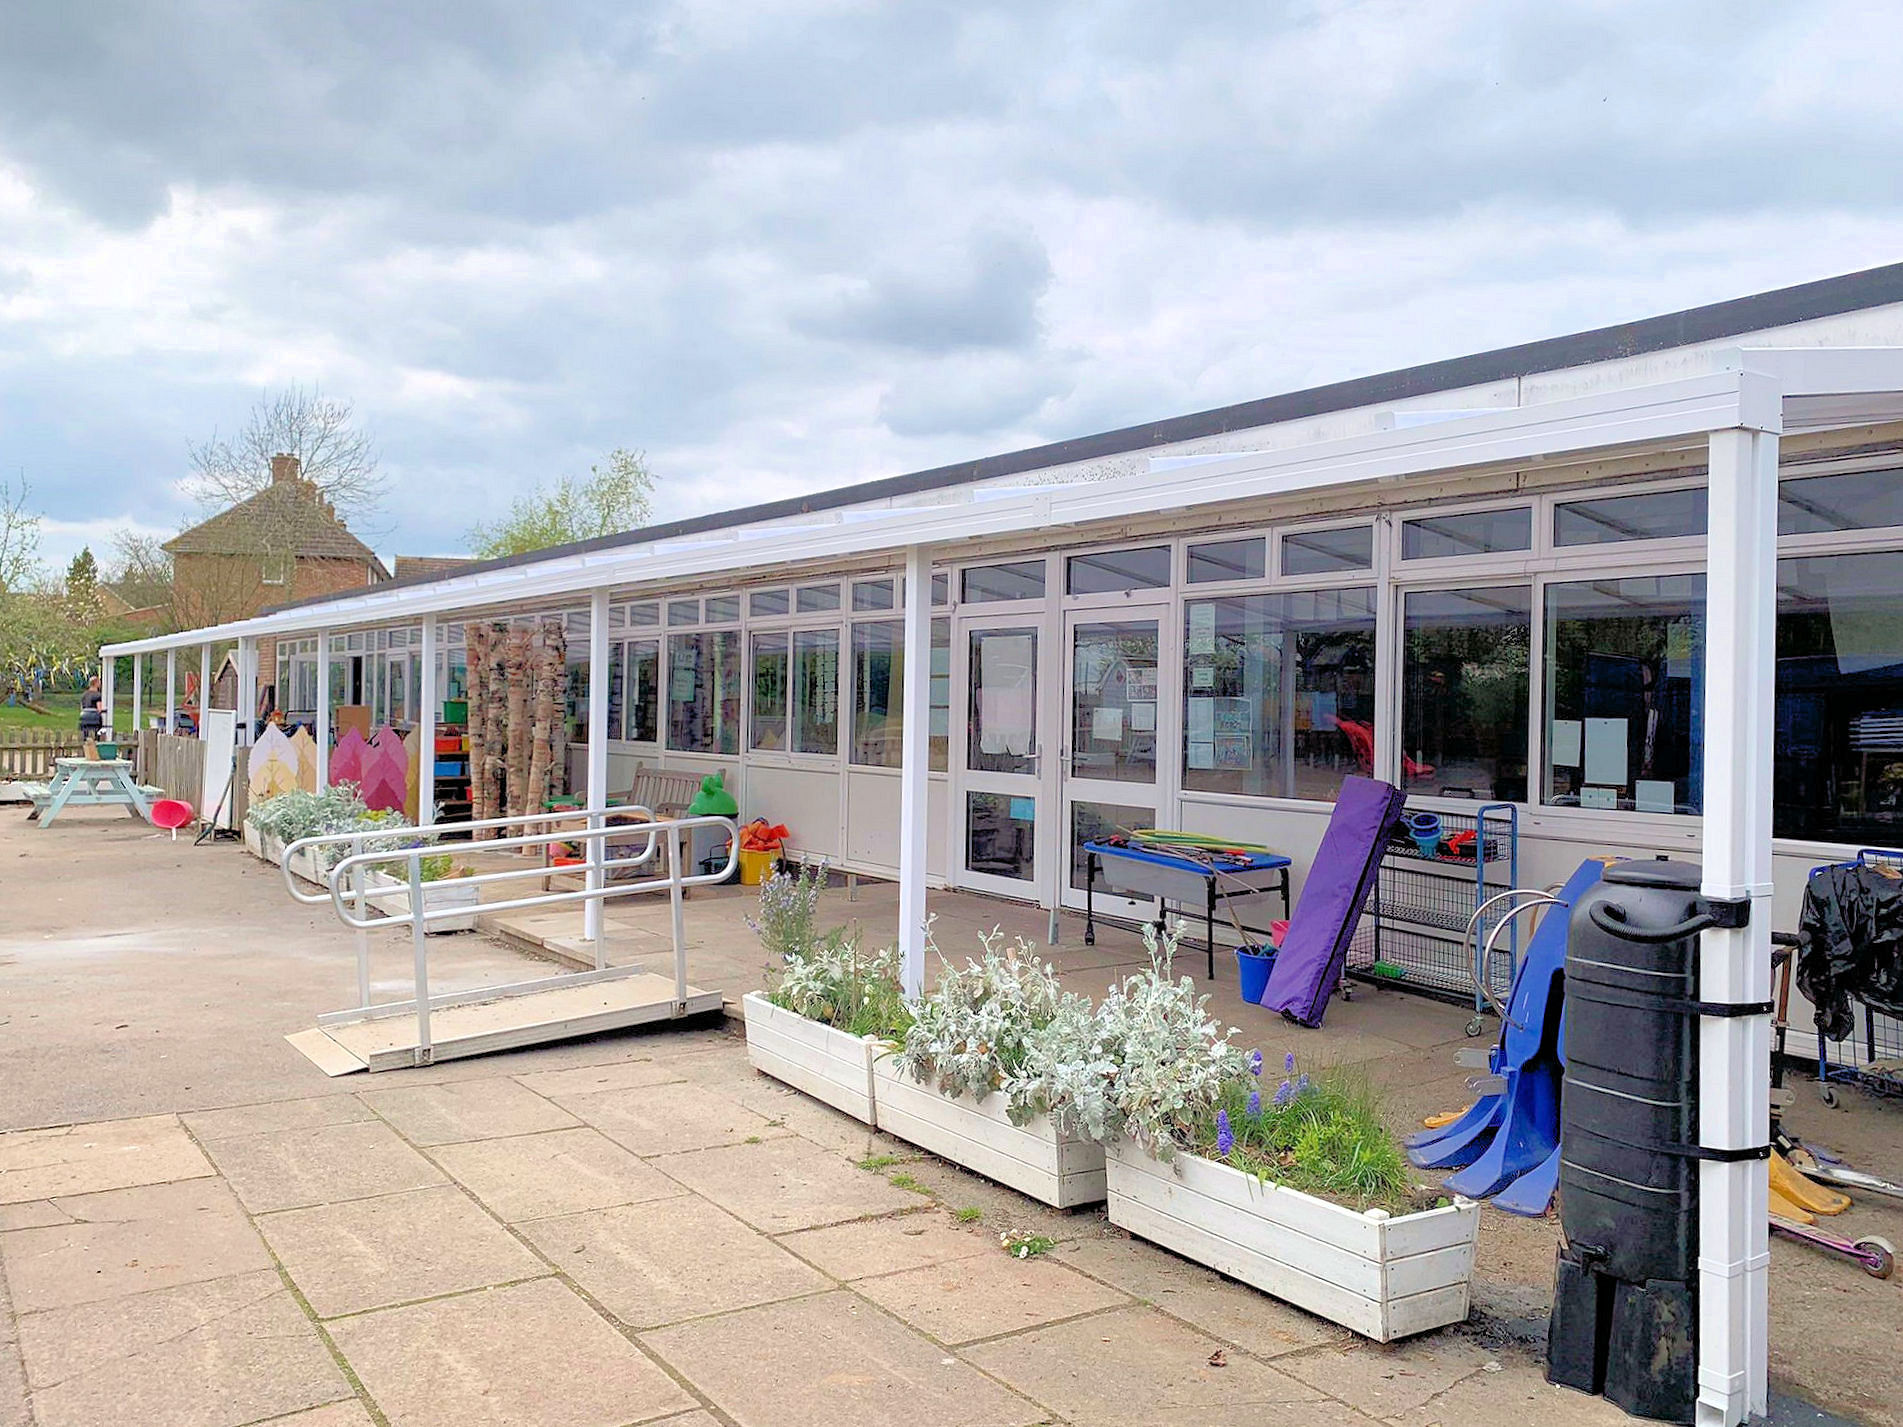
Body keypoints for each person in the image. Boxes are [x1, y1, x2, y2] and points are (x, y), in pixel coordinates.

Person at [78, 675, 105, 743]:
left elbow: (81, 707)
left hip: (84, 716)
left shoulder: (84, 695)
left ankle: (85, 740)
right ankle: (97, 740)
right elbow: (99, 708)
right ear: (96, 683)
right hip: (93, 717)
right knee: (99, 728)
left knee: (85, 731)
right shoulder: (97, 695)